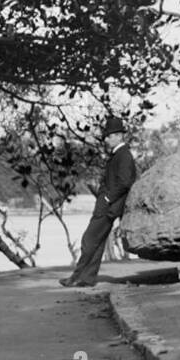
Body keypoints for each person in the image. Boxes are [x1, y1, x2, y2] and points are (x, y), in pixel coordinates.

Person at [60, 116, 137, 287]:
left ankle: (77, 277)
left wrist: (108, 198)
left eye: (109, 136)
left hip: (109, 205)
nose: (106, 139)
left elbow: (125, 182)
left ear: (118, 136)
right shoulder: (120, 154)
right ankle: (86, 279)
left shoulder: (123, 155)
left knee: (89, 240)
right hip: (108, 205)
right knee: (97, 242)